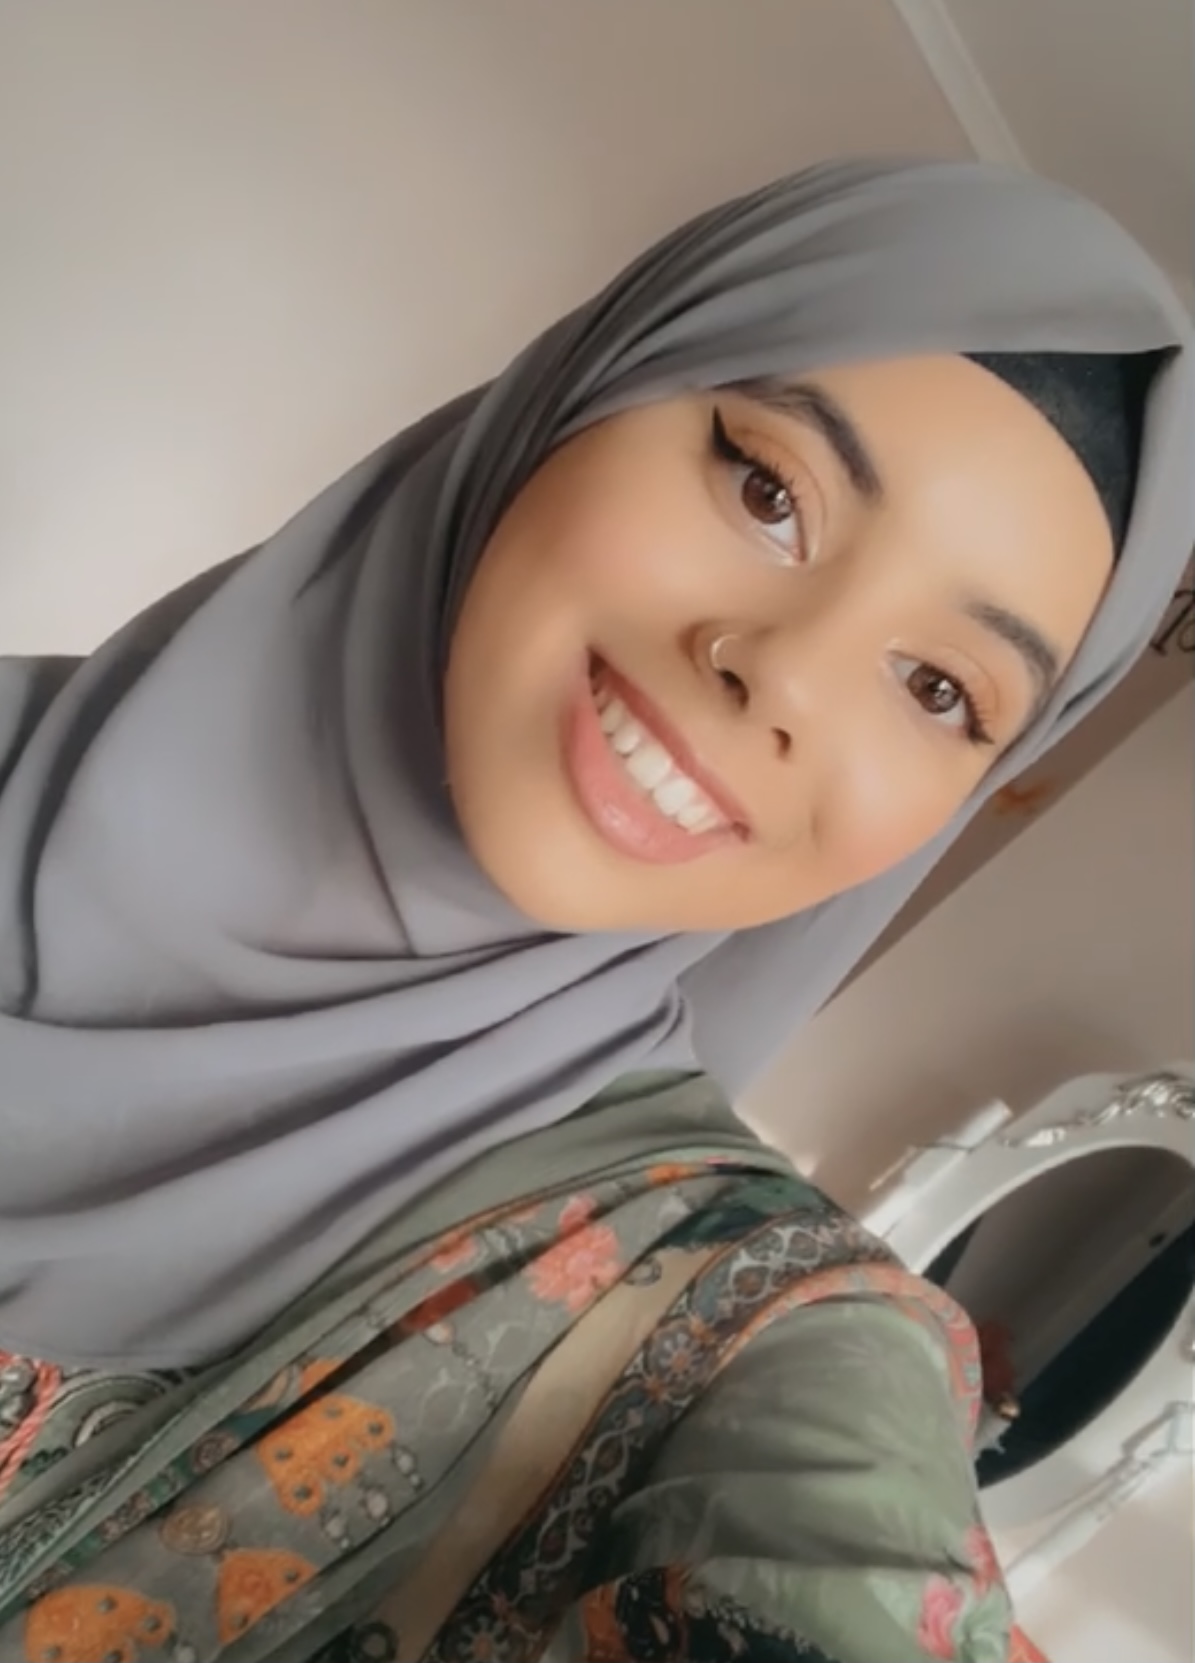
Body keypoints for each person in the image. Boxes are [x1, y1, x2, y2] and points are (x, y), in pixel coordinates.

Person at [0, 157, 1191, 1660]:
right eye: (770, 491)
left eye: (941, 688)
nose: (782, 670)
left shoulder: (732, 1316)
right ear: (581, 393)